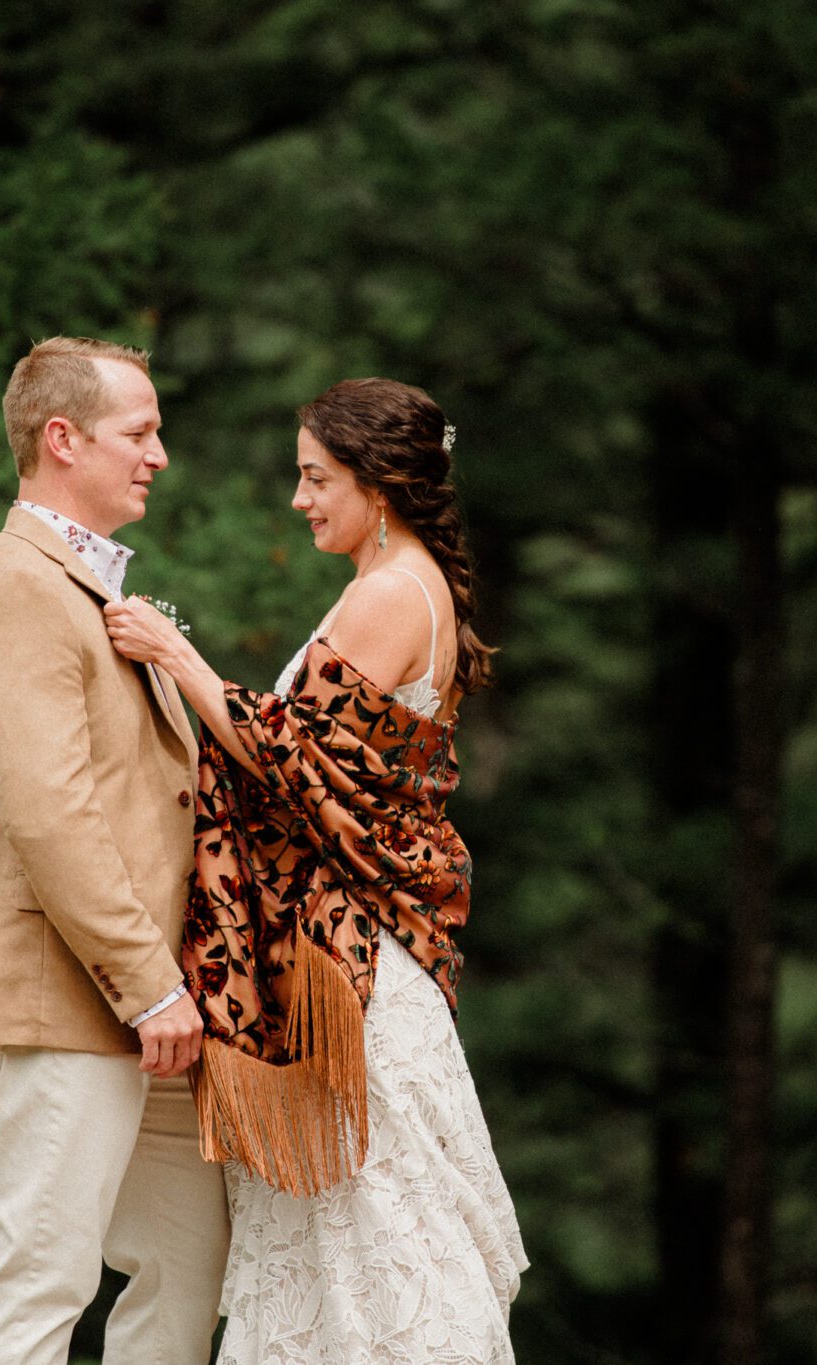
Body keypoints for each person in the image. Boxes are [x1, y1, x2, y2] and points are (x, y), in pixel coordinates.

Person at [104, 377, 527, 1363]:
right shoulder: (405, 581)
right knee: (358, 1245)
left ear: (377, 482)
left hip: (354, 981)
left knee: (379, 1248)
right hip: (362, 966)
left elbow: (289, 761)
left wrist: (173, 652)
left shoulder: (389, 592)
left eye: (314, 477)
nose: (298, 500)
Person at [0, 336, 229, 1365]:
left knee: (191, 1267)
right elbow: (47, 812)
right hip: (68, 993)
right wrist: (148, 985)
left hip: (147, 1009)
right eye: (138, 433)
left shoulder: (83, 587)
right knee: (40, 1279)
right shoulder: (14, 585)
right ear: (61, 439)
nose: (159, 455)